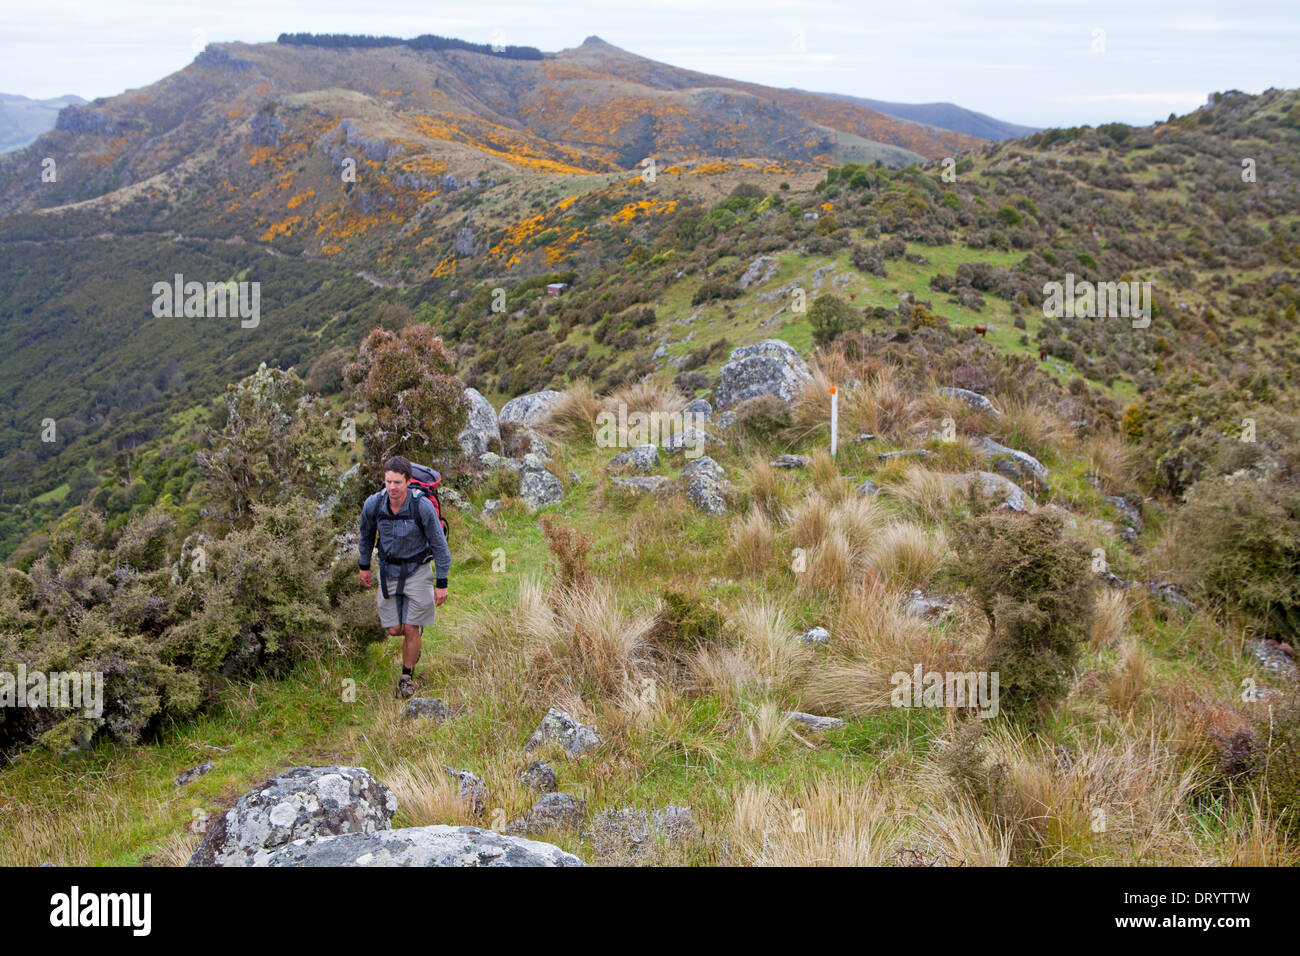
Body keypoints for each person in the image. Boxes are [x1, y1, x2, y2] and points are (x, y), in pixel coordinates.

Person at [357, 455, 450, 698]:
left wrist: (442, 583)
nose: (392, 487)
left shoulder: (422, 506)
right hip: (388, 572)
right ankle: (414, 636)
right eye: (388, 482)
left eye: (397, 482)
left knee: (410, 627)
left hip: (418, 571)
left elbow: (439, 545)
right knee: (394, 629)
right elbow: (366, 535)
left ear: (408, 482)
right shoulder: (373, 504)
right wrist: (364, 565)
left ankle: (406, 677)